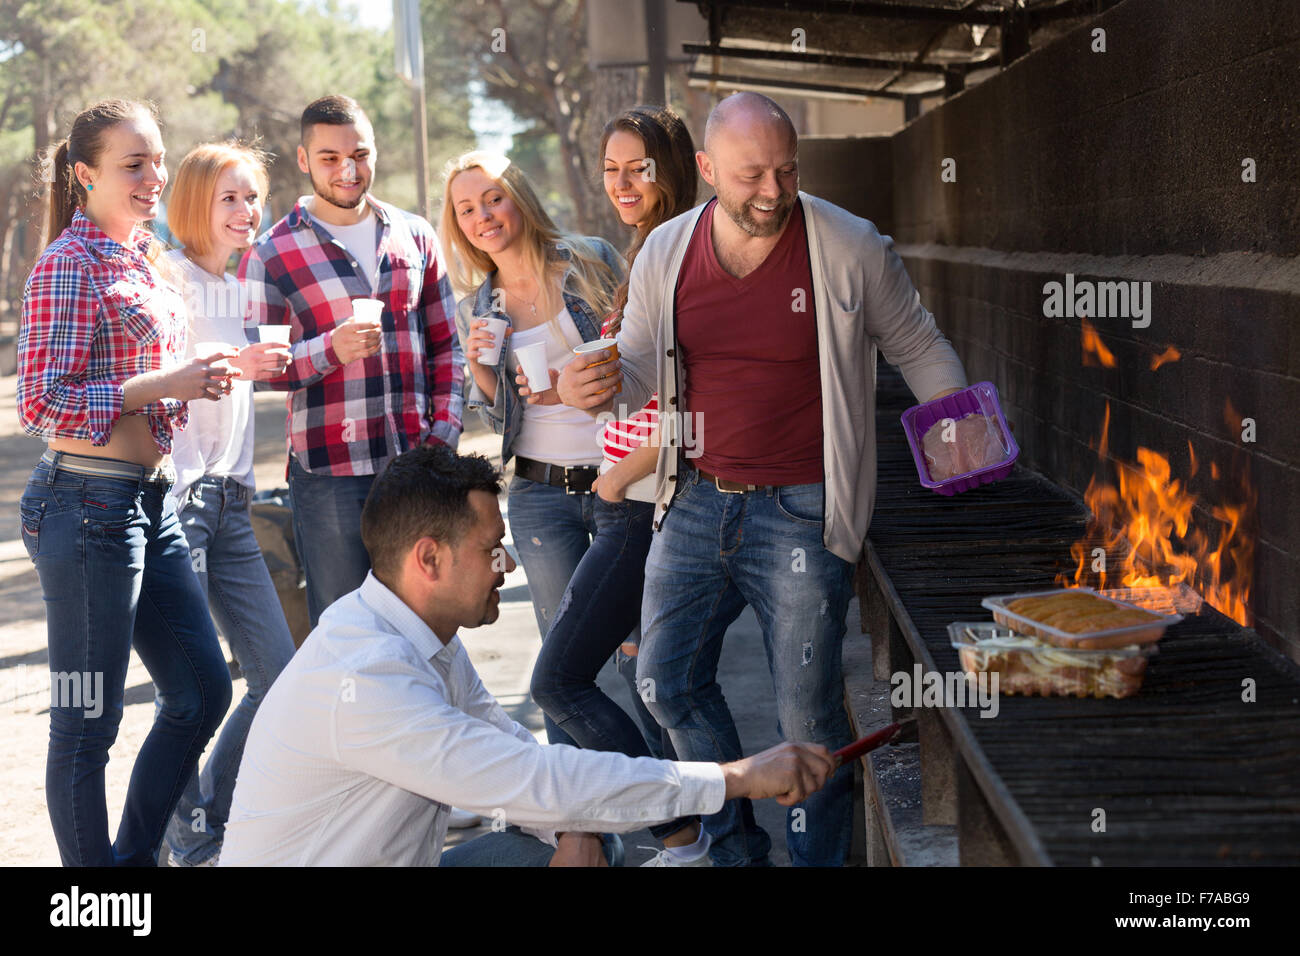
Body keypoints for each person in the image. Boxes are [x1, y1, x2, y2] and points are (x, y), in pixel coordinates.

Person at [556, 92, 970, 866]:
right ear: (708, 169)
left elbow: (917, 344)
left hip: (804, 508)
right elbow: (642, 368)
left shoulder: (848, 246)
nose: (772, 192)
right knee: (664, 683)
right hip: (694, 498)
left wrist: (960, 429)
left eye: (786, 171)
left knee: (806, 717)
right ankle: (738, 847)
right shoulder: (668, 251)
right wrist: (603, 387)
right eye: (751, 176)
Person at [218, 445, 837, 866]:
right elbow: (529, 779)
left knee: (585, 841)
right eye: (492, 550)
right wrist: (735, 778)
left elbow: (510, 750)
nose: (507, 566)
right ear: (429, 560)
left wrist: (568, 823)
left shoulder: (415, 634)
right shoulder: (365, 675)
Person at [16, 99, 234, 866]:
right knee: (86, 721)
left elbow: (154, 371)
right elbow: (39, 402)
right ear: (84, 174)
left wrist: (207, 376)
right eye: (132, 164)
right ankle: (96, 897)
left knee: (205, 691)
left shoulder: (142, 254)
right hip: (84, 505)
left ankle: (131, 867)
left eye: (157, 160)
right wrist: (160, 384)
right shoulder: (67, 264)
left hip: (150, 500)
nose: (154, 177)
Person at [524, 106, 709, 865]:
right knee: (663, 682)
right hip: (633, 497)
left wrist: (609, 485)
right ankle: (701, 836)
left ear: (675, 167)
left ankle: (683, 830)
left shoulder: (685, 253)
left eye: (640, 167)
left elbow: (696, 405)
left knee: (562, 680)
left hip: (640, 503)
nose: (624, 183)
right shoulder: (648, 250)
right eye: (612, 169)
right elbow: (652, 385)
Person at [239, 94, 464, 628]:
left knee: (426, 622)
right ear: (303, 160)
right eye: (330, 158)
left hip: (417, 463)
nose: (347, 170)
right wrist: (328, 350)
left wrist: (444, 436)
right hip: (329, 477)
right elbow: (265, 368)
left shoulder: (416, 235)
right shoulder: (272, 253)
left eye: (359, 155)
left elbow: (446, 346)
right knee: (345, 629)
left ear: (374, 152)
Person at [441, 150, 622, 748]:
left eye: (492, 197)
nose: (482, 216)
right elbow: (499, 417)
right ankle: (583, 829)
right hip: (542, 496)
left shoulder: (590, 260)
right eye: (466, 209)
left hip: (623, 483)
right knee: (562, 671)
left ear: (518, 195)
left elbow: (643, 352)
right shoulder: (478, 308)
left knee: (642, 660)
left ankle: (677, 806)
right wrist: (481, 370)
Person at [159, 141, 297, 866]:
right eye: (230, 199)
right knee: (189, 687)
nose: (247, 212)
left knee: (277, 675)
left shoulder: (238, 286)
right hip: (182, 503)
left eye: (253, 198)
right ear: (193, 204)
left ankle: (203, 816)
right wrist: (229, 365)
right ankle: (188, 837)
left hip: (234, 501)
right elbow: (160, 377)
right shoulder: (168, 278)